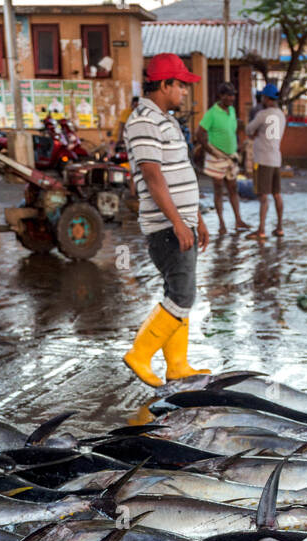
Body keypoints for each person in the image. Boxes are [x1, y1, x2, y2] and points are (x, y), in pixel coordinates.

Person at [123, 52, 210, 385]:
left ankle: (177, 365)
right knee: (182, 295)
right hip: (166, 227)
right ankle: (140, 354)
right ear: (164, 84)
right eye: (181, 85)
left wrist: (195, 218)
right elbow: (152, 175)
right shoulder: (143, 120)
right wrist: (176, 221)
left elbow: (180, 174)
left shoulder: (167, 120)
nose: (185, 92)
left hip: (181, 222)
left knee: (179, 292)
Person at [196, 82, 248, 233]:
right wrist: (210, 151)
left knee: (233, 188)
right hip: (216, 157)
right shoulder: (211, 113)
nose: (232, 98)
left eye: (233, 95)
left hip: (231, 157)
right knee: (218, 189)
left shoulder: (231, 110)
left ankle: (238, 220)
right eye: (229, 95)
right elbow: (200, 133)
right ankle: (221, 224)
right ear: (221, 96)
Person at [247, 83, 286, 241]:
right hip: (276, 158)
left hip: (263, 159)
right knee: (277, 194)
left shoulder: (262, 115)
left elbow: (249, 130)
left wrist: (255, 132)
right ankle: (279, 227)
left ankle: (261, 230)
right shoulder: (281, 115)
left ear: (267, 98)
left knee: (263, 196)